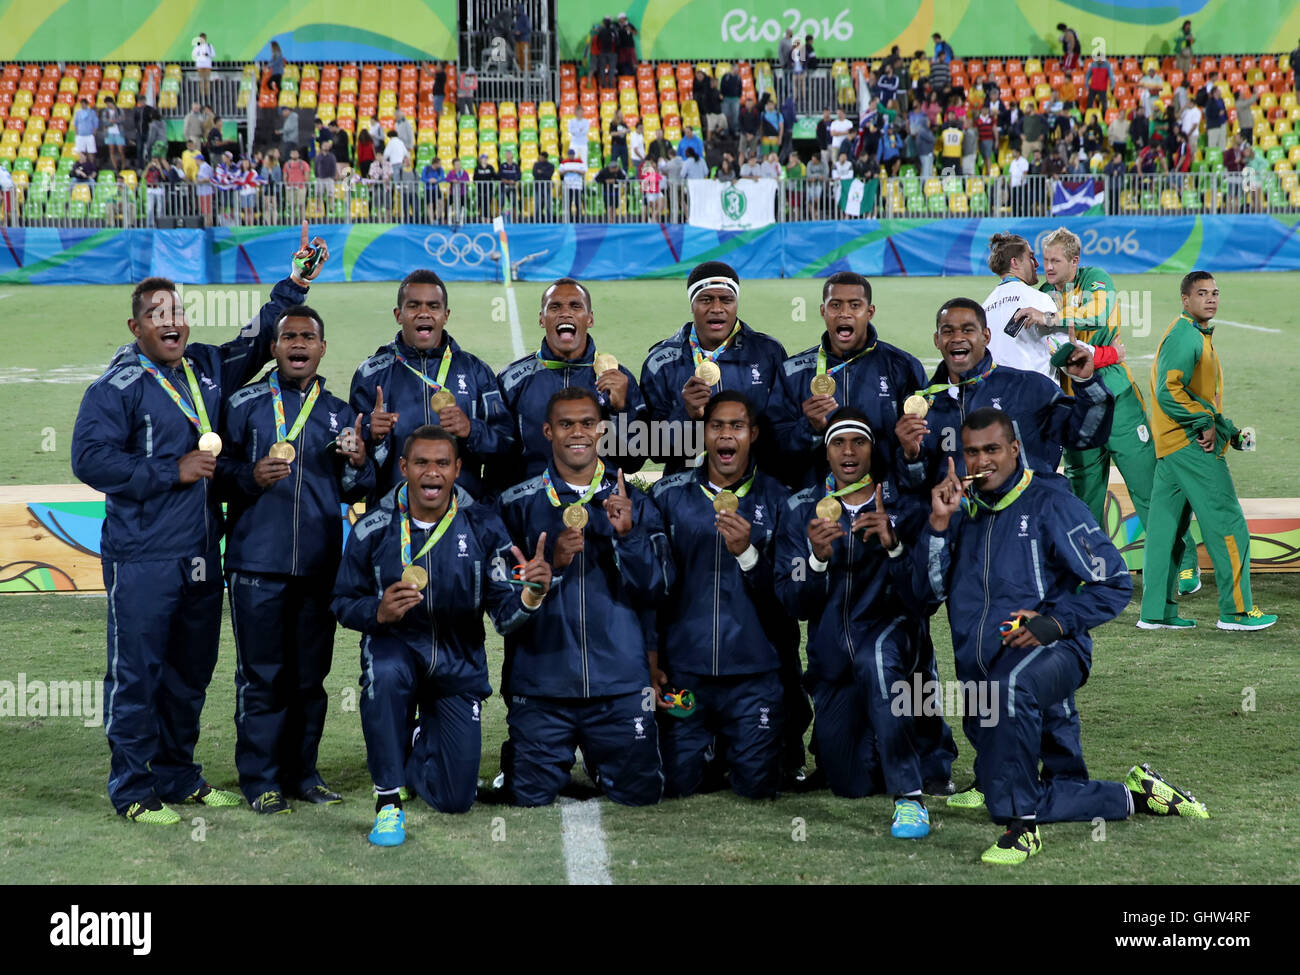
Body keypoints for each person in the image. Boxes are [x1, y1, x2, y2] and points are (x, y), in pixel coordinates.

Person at [70, 226, 327, 825]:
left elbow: (261, 339)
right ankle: (133, 790)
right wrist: (171, 469)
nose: (171, 321)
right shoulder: (119, 385)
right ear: (136, 328)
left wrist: (295, 284)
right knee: (138, 674)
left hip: (200, 553)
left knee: (190, 672)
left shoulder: (207, 368)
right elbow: (90, 459)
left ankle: (179, 774)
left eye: (178, 311)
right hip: (141, 554)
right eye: (157, 314)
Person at [905, 409, 1208, 865]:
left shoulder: (1050, 503)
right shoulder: (960, 511)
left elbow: (1115, 582)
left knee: (1010, 729)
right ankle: (1134, 795)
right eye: (972, 452)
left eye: (992, 450)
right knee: (1031, 788)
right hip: (984, 669)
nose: (982, 461)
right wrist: (939, 524)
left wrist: (1055, 622)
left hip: (1056, 651)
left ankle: (1023, 830)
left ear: (1013, 449)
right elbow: (925, 596)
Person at [334, 426, 548, 844]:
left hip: (458, 660)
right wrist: (376, 612)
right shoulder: (373, 527)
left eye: (442, 464)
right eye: (421, 463)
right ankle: (388, 802)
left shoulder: (485, 527)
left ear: (457, 469)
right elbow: (342, 601)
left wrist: (529, 597)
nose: (432, 473)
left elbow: (504, 619)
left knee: (455, 799)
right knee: (386, 675)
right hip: (396, 646)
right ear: (403, 467)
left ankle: (416, 740)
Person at [218, 304, 372, 814]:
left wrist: (357, 463)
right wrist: (247, 476)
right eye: (289, 337)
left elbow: (358, 488)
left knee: (309, 680)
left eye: (309, 336)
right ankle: (260, 780)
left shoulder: (338, 410)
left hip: (319, 565)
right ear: (275, 347)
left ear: (322, 348)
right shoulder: (240, 403)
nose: (299, 344)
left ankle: (304, 774)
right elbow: (215, 470)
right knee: (261, 676)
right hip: (255, 564)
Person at [495, 388, 670, 807]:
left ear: (602, 430)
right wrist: (550, 568)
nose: (577, 433)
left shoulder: (635, 502)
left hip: (619, 685)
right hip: (542, 685)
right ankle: (528, 757)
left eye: (587, 423)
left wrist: (627, 538)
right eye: (566, 424)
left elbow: (658, 588)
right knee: (529, 797)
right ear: (547, 431)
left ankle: (600, 756)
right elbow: (501, 607)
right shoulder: (515, 504)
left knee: (640, 795)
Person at [775, 407, 936, 835]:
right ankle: (905, 741)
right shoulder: (799, 510)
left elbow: (927, 599)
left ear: (873, 448)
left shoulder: (904, 504)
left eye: (859, 441)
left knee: (876, 658)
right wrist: (815, 561)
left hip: (894, 641)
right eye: (838, 443)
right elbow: (793, 600)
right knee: (851, 785)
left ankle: (911, 797)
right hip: (834, 666)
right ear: (825, 453)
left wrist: (895, 546)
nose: (849, 452)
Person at [1031, 228, 1201, 589]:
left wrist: (1048, 319)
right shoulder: (1042, 294)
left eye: (1055, 261)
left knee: (1148, 487)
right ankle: (1093, 568)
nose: (1047, 267)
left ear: (1074, 262)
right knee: (1084, 497)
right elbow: (1052, 350)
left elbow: (1095, 315)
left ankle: (1183, 561)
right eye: (1044, 260)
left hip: (1118, 399)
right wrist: (1101, 351)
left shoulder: (1096, 281)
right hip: (1076, 407)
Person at [649, 392, 792, 798]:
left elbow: (788, 599)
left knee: (758, 788)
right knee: (677, 785)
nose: (726, 435)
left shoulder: (780, 501)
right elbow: (649, 590)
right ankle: (708, 747)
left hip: (754, 676)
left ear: (754, 434)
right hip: (686, 672)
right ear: (704, 433)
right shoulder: (667, 497)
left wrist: (749, 554)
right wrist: (652, 657)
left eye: (737, 427)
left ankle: (732, 745)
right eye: (717, 426)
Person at [1139, 272, 1278, 631]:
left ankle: (1155, 613)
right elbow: (1169, 391)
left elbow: (1192, 394)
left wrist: (1227, 430)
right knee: (1228, 522)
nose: (1211, 299)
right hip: (1190, 446)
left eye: (1215, 293)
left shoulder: (1189, 332)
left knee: (1165, 530)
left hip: (1171, 446)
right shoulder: (1187, 336)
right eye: (1202, 293)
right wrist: (1203, 422)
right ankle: (1236, 612)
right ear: (1186, 300)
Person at [895, 296, 1113, 492]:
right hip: (961, 528)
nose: (957, 338)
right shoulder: (924, 406)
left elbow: (1086, 434)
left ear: (986, 336)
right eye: (948, 331)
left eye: (968, 330)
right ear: (937, 340)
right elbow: (916, 486)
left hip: (1025, 522)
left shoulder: (1029, 387)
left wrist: (1086, 382)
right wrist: (911, 456)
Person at [350, 270, 513, 504]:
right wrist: (369, 433)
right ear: (399, 314)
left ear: (445, 315)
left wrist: (471, 429)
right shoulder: (370, 374)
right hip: (395, 519)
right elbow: (349, 459)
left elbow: (506, 446)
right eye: (414, 306)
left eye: (433, 306)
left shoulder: (476, 371)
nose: (423, 313)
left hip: (462, 518)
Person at [771, 271, 925, 496]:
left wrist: (912, 452)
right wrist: (810, 429)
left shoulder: (903, 367)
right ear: (823, 311)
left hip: (884, 504)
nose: (844, 314)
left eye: (855, 305)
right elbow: (774, 451)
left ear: (870, 312)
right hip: (816, 507)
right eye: (835, 305)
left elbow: (925, 449)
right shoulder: (794, 371)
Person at [493, 279, 648, 489]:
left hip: (600, 505)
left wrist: (620, 410)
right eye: (555, 307)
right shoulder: (512, 380)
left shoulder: (619, 379)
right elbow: (497, 463)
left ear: (590, 318)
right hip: (533, 503)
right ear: (541, 318)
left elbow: (633, 463)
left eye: (576, 306)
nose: (565, 313)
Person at [558, 147, 586, 221]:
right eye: (570, 155)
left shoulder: (579, 161)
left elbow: (583, 172)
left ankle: (579, 218)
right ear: (568, 155)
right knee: (568, 202)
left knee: (578, 202)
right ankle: (569, 218)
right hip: (568, 185)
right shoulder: (564, 162)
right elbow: (561, 172)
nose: (571, 156)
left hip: (577, 185)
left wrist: (575, 171)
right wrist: (568, 171)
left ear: (574, 155)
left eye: (572, 155)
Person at [193, 32, 215, 102]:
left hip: (207, 65)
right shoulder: (197, 46)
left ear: (205, 38)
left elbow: (213, 55)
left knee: (207, 80)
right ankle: (202, 94)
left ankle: (207, 94)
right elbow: (194, 54)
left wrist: (207, 54)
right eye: (201, 38)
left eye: (203, 38)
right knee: (201, 80)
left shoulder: (209, 45)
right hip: (200, 65)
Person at [513, 3, 532, 73]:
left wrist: (520, 32)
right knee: (519, 57)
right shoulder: (517, 18)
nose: (516, 11)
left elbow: (528, 29)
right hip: (518, 40)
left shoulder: (524, 17)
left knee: (525, 57)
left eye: (517, 9)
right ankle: (520, 71)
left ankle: (527, 72)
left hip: (524, 40)